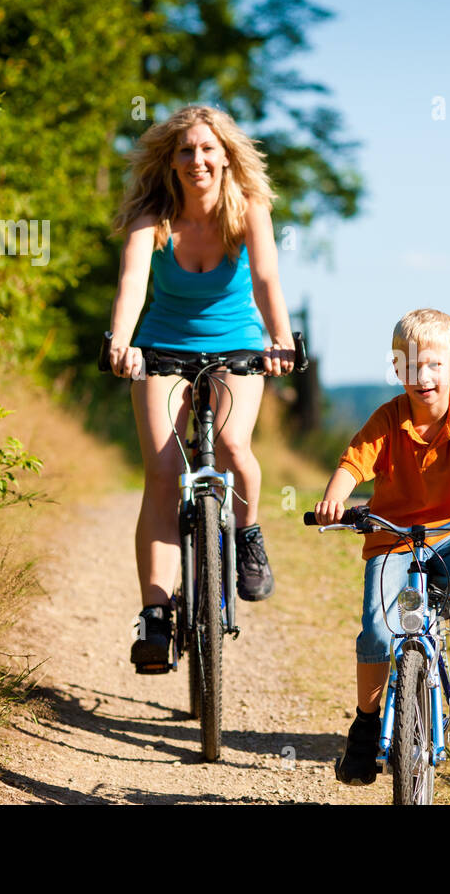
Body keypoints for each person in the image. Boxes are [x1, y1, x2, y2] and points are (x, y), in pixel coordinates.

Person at [106, 104, 297, 673]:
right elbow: (133, 283)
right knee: (164, 471)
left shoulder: (248, 211)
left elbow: (265, 280)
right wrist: (121, 340)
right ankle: (156, 616)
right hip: (162, 347)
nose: (198, 160)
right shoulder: (152, 217)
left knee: (234, 448)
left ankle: (249, 535)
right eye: (186, 150)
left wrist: (281, 339)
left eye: (208, 149)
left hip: (238, 347)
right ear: (171, 159)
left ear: (226, 156)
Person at [312, 308, 450, 786]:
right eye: (411, 366)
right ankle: (366, 726)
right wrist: (334, 499)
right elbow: (353, 464)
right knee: (375, 633)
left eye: (434, 364)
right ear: (397, 370)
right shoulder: (389, 418)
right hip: (392, 542)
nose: (423, 376)